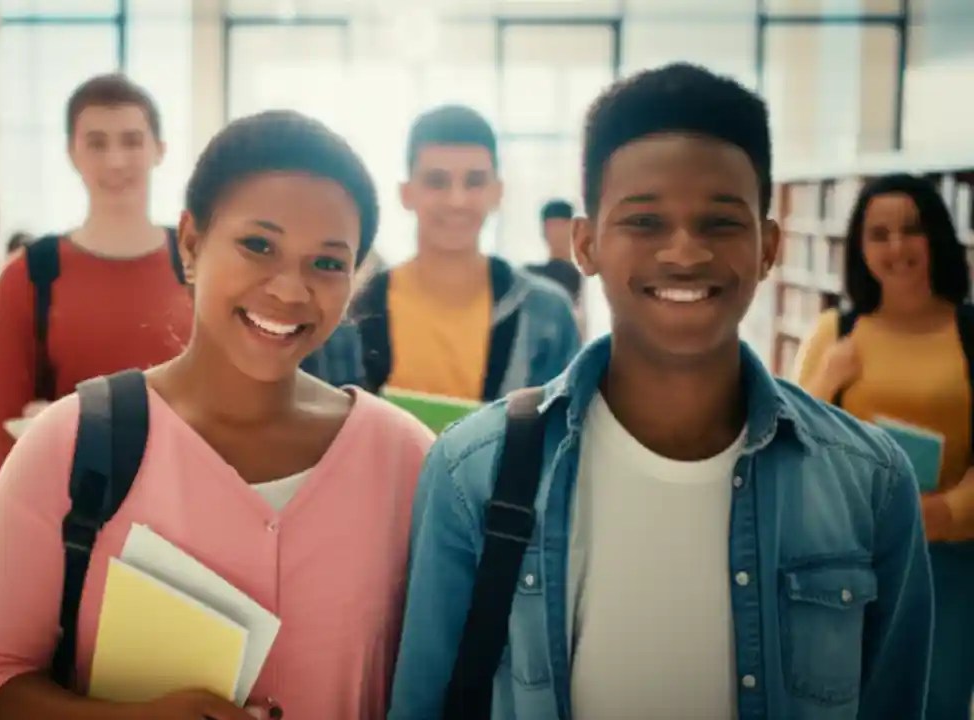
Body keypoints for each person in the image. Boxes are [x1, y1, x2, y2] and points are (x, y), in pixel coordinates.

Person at [389, 63, 932, 719]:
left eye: (721, 223)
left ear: (769, 246)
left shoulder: (869, 484)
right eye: (644, 222)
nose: (683, 253)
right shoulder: (472, 472)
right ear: (586, 245)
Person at [0, 110, 435, 720]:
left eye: (328, 263)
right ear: (192, 244)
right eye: (258, 245)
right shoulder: (68, 445)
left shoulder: (406, 459)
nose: (289, 289)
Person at [795, 173, 972, 719]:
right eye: (879, 233)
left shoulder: (969, 332)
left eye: (911, 230)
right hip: (853, 551)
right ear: (860, 247)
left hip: (950, 556)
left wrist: (944, 513)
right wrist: (826, 379)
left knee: (935, 699)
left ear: (936, 237)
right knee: (848, 696)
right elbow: (792, 435)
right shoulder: (835, 331)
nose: (897, 247)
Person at [0, 73, 192, 466]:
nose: (115, 161)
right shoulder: (29, 275)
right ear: (72, 153)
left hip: (186, 498)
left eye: (132, 141)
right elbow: (5, 432)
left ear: (159, 150)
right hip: (71, 508)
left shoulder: (199, 264)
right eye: (97, 143)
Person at [352, 105, 579, 403]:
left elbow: (567, 429)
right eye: (437, 181)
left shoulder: (547, 313)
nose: (456, 200)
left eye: (474, 182)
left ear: (497, 192)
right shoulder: (358, 310)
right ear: (406, 193)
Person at [524, 199, 582, 303]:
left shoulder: (585, 276)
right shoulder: (530, 275)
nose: (556, 233)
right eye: (551, 227)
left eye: (561, 226)